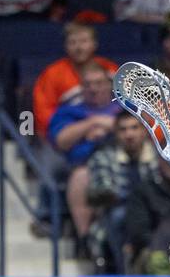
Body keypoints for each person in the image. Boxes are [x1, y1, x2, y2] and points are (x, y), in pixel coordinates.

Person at [48, 66, 120, 242]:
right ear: (81, 88)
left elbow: (142, 131)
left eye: (99, 83)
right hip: (84, 166)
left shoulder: (124, 107)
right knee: (81, 177)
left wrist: (109, 127)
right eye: (88, 84)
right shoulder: (68, 111)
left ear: (109, 85)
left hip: (122, 161)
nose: (93, 88)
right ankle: (85, 240)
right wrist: (92, 123)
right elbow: (61, 140)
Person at [85, 112, 156, 273]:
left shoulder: (159, 157)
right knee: (119, 216)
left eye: (134, 128)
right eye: (123, 130)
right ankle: (122, 271)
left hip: (153, 212)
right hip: (117, 213)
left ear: (144, 131)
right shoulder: (103, 157)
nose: (129, 134)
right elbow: (101, 191)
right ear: (116, 133)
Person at [32, 21, 119, 140]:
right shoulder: (52, 74)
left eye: (84, 41)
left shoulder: (110, 69)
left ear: (94, 44)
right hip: (69, 136)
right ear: (65, 46)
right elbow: (44, 114)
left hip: (111, 132)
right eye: (72, 42)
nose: (79, 48)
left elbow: (127, 105)